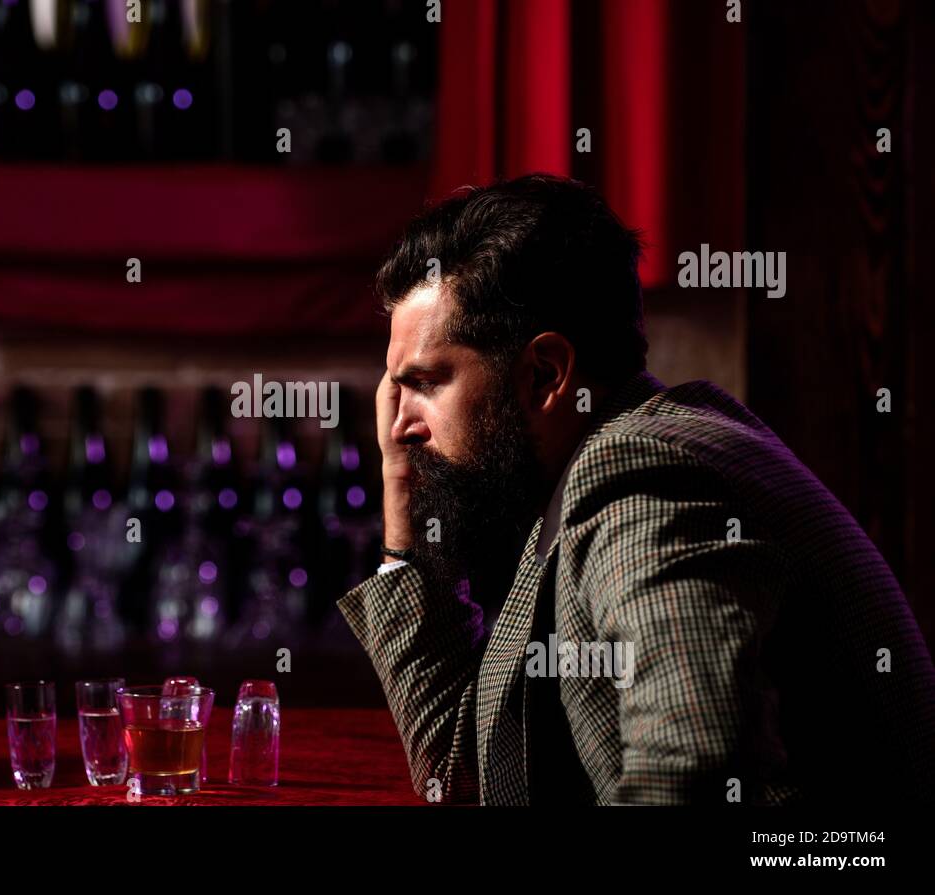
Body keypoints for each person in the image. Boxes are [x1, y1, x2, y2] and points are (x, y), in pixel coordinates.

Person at [338, 173, 935, 805]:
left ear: (545, 375)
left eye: (426, 382)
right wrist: (403, 509)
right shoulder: (568, 471)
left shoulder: (638, 478)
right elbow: (460, 782)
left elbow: (689, 778)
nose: (397, 425)